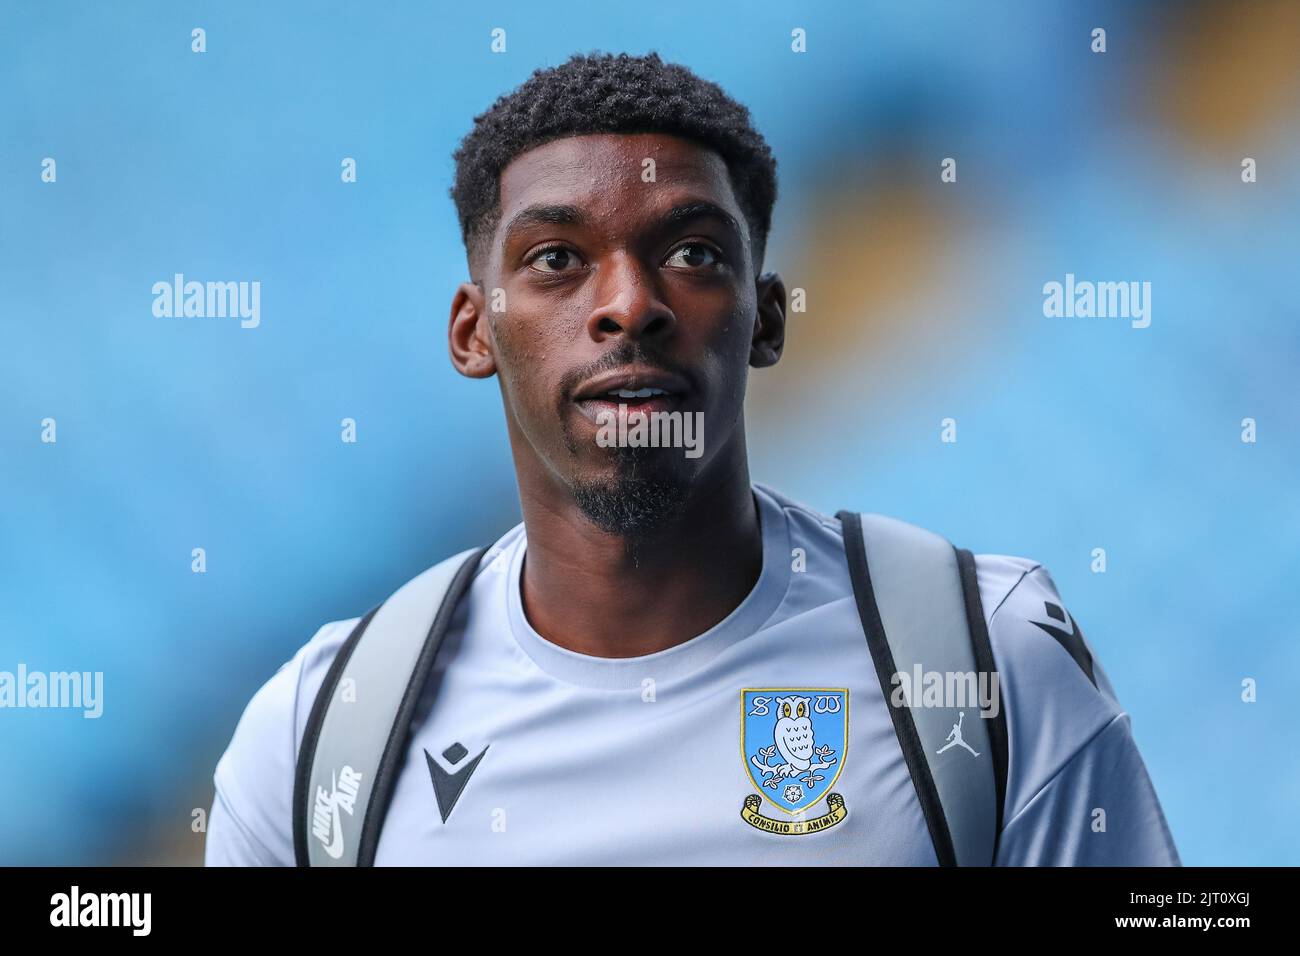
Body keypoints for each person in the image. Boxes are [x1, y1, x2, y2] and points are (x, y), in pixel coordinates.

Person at [204, 51, 1180, 866]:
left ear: (766, 319)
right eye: (556, 259)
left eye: (694, 253)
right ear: (473, 332)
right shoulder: (320, 737)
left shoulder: (983, 659)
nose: (630, 303)